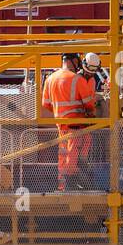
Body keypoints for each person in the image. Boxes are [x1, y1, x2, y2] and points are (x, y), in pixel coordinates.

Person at [41, 52, 98, 190]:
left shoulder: (50, 79)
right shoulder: (77, 79)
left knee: (63, 154)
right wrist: (91, 114)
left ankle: (62, 184)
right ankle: (71, 183)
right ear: (73, 61)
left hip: (61, 125)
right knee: (73, 155)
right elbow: (88, 104)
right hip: (76, 124)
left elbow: (46, 104)